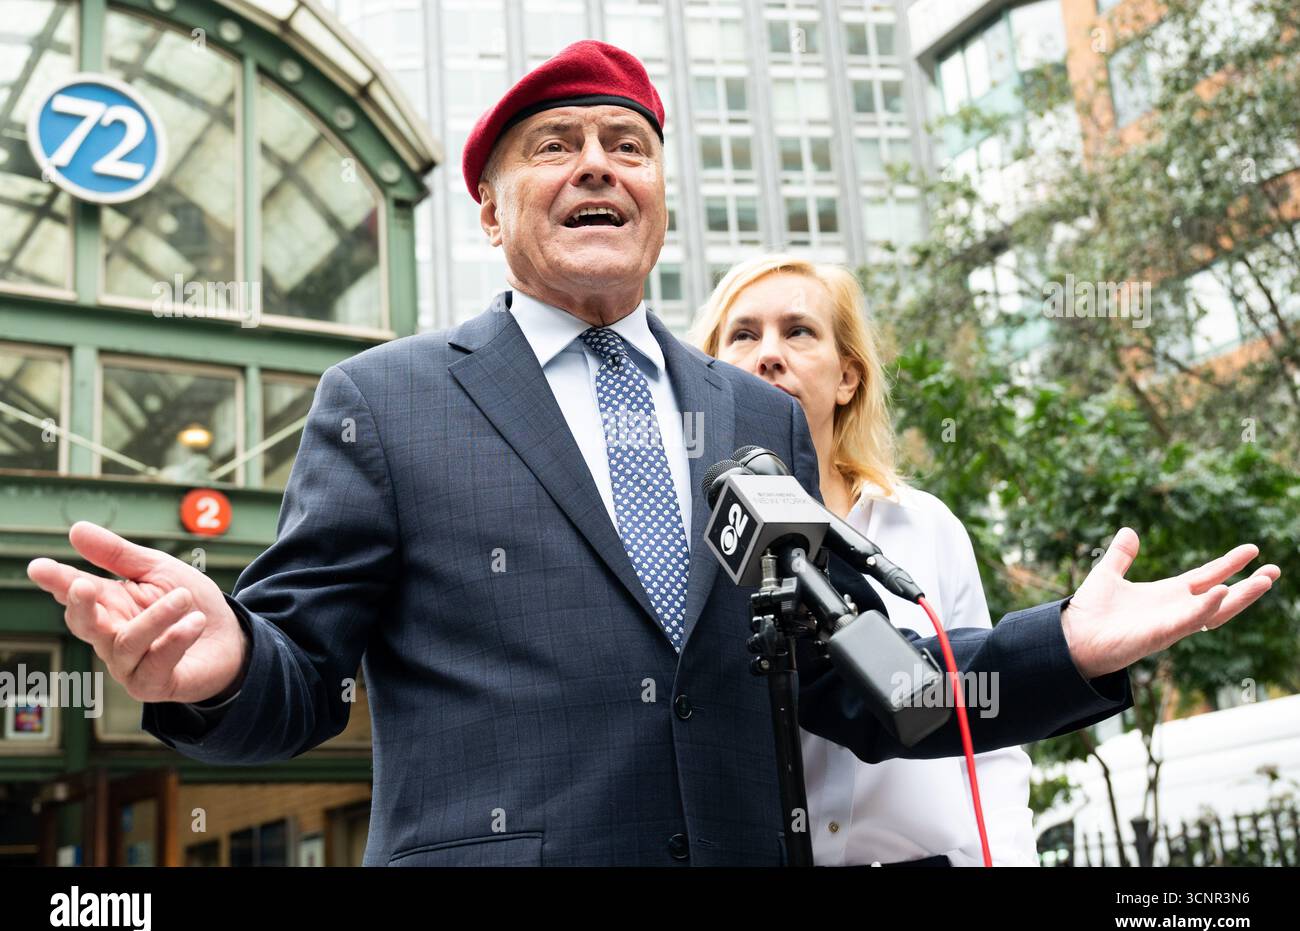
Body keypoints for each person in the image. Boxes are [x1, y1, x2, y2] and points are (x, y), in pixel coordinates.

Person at [24, 41, 1279, 866]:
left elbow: (870, 681)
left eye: (625, 147)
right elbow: (295, 683)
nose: (595, 167)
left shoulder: (753, 417)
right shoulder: (386, 403)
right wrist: (221, 660)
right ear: (491, 206)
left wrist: (1062, 646)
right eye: (554, 146)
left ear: (661, 196)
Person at [694, 253, 1037, 866]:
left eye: (798, 331)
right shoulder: (691, 541)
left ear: (848, 377)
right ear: (710, 372)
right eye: (742, 334)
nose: (769, 353)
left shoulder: (926, 525)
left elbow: (986, 739)